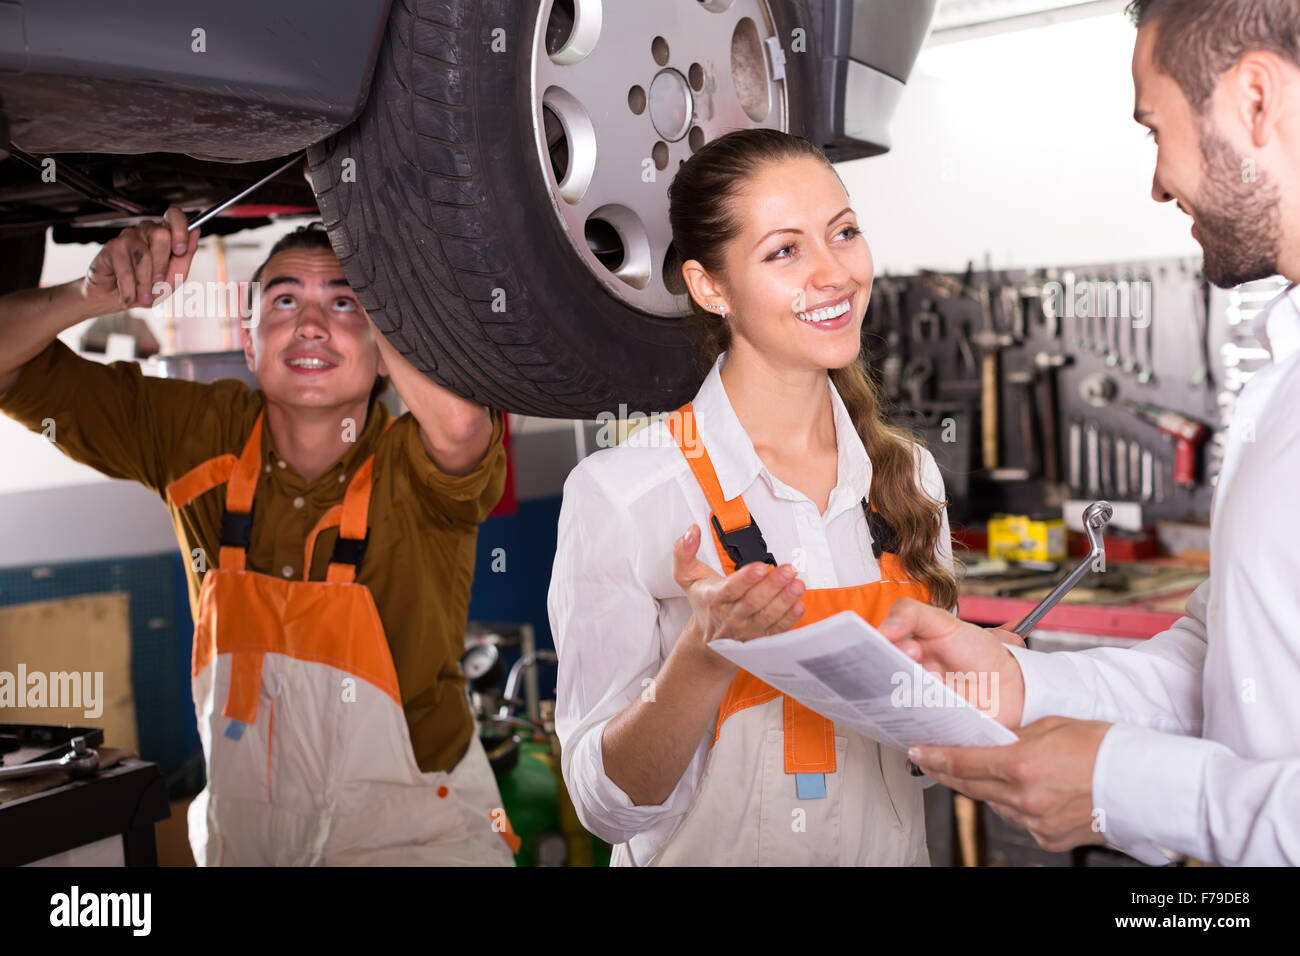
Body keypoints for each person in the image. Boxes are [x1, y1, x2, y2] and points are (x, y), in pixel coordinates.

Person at [877, 0, 1300, 866]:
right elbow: (1227, 659)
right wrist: (1023, 682)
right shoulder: (1283, 372)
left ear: (1256, 100)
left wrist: (1121, 785)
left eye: (1155, 128)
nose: (1156, 180)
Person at [0, 211, 517, 865]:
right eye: (284, 300)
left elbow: (464, 429)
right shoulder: (198, 434)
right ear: (249, 345)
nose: (310, 324)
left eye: (344, 302)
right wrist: (95, 292)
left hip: (415, 832)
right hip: (249, 836)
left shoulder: (415, 467)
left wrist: (384, 274)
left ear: (385, 351)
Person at [548, 128, 960, 866]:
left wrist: (978, 683)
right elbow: (605, 806)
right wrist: (704, 658)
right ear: (711, 287)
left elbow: (921, 753)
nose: (833, 274)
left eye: (844, 233)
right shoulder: (623, 494)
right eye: (784, 251)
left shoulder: (910, 479)